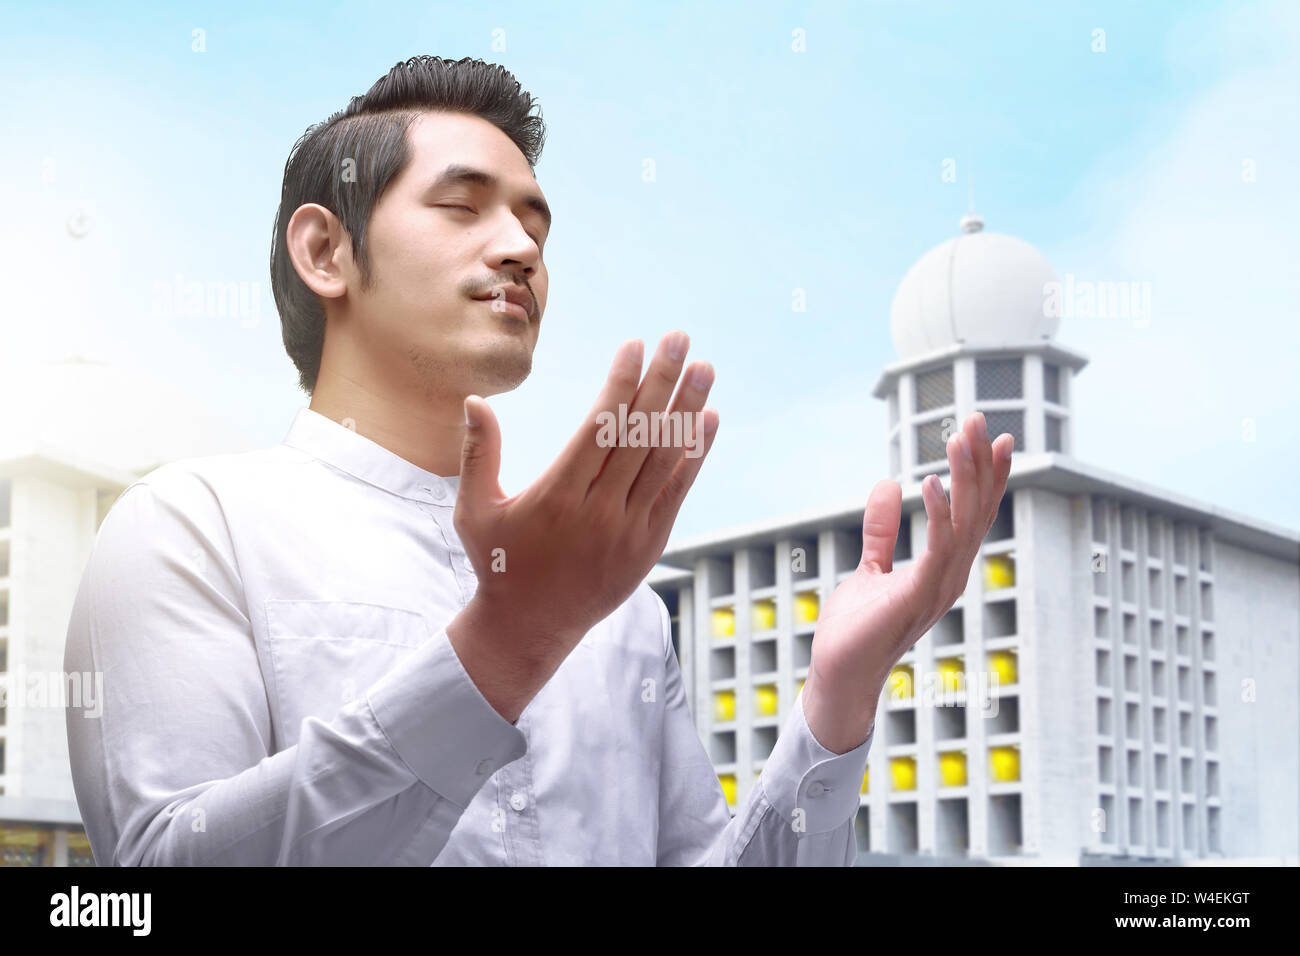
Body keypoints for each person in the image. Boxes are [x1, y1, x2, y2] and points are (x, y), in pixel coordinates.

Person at [64, 55, 1011, 866]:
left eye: (536, 226)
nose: (521, 248)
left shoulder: (624, 609)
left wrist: (834, 705)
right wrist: (508, 646)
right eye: (462, 207)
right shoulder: (190, 529)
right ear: (325, 250)